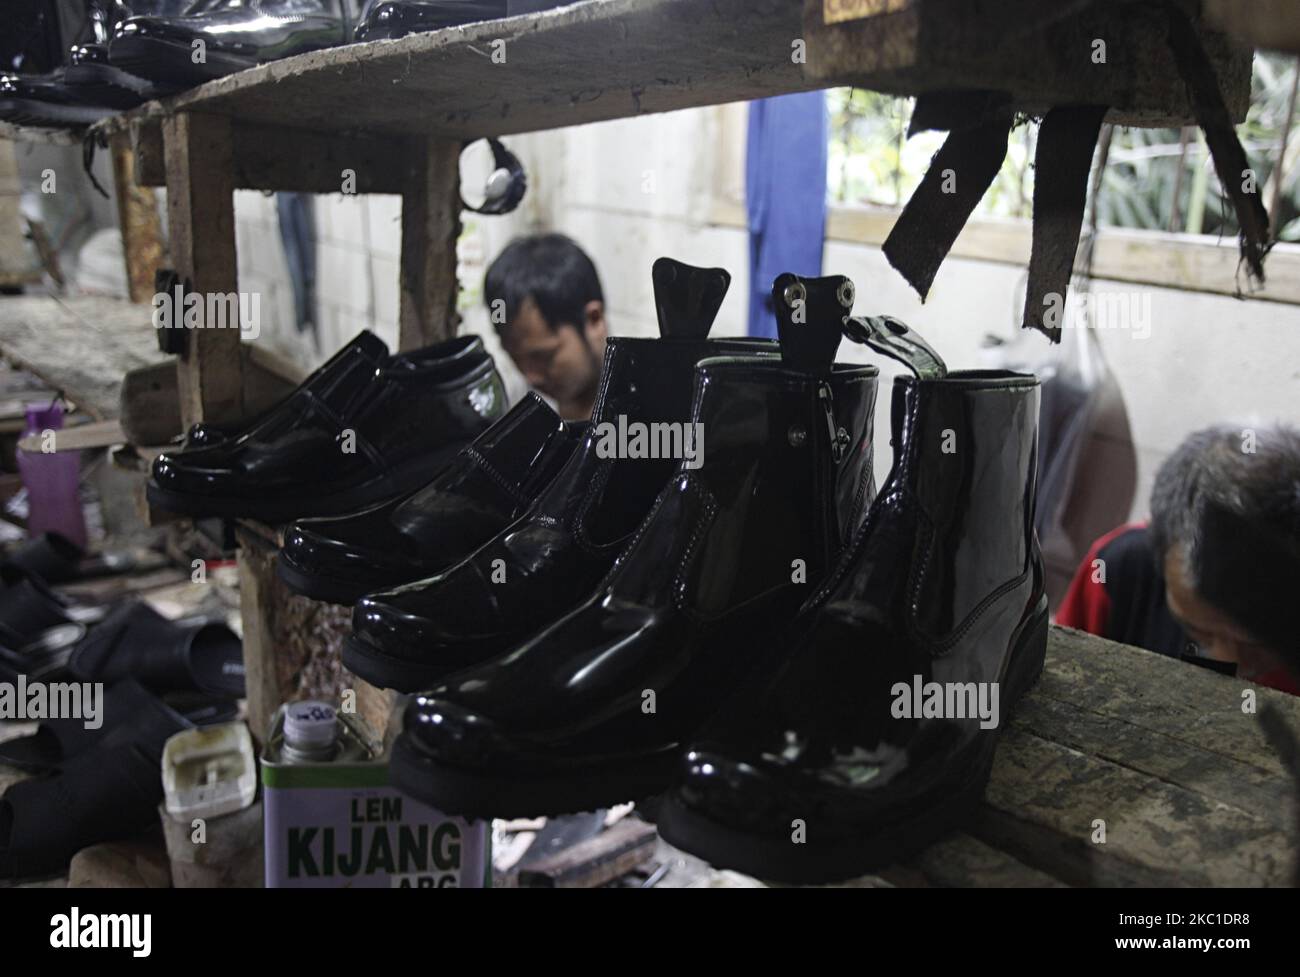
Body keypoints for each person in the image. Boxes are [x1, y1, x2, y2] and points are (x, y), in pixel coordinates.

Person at [1057, 424, 1300, 694]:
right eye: (1196, 630)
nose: (1225, 660)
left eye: (1256, 642)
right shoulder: (1119, 569)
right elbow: (1064, 670)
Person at [483, 233, 608, 420]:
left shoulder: (651, 427)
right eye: (514, 356)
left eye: (543, 356)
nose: (530, 376)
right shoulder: (517, 408)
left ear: (593, 320)